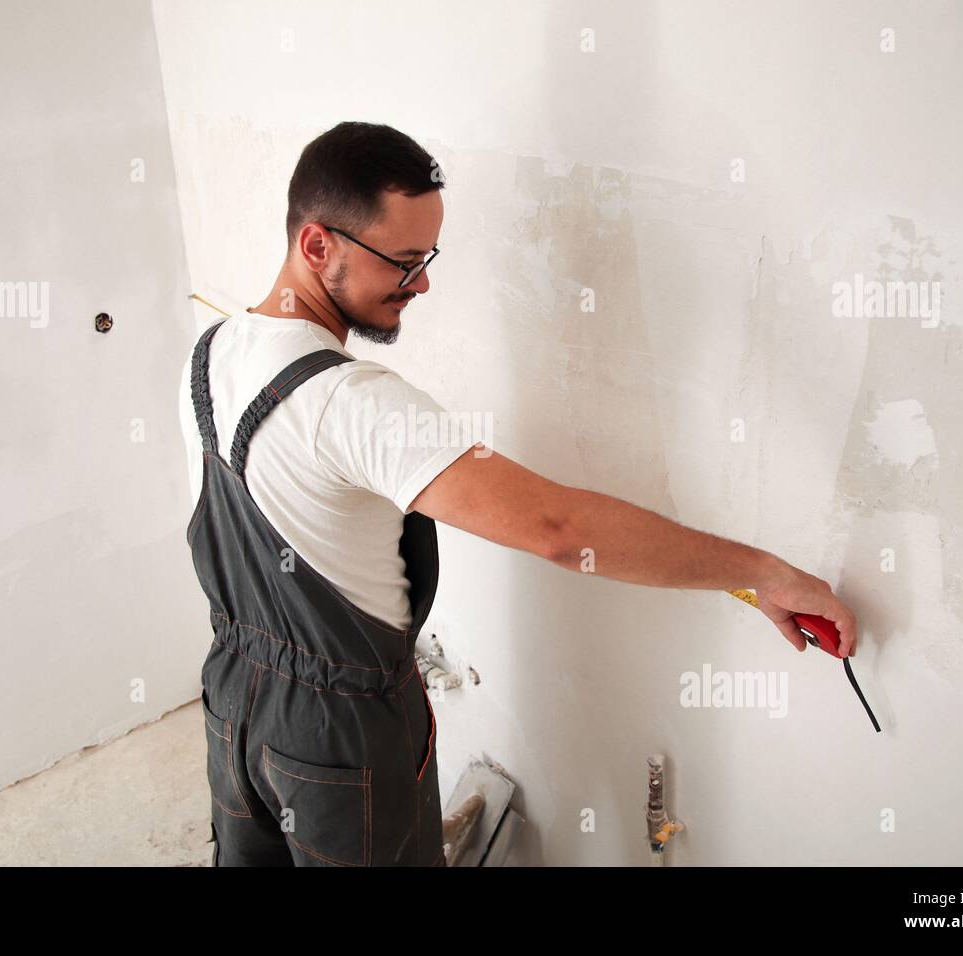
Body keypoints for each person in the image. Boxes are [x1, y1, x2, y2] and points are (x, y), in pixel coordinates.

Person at [180, 120, 858, 867]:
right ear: (318, 246)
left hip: (232, 705)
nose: (423, 282)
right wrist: (761, 571)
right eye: (404, 262)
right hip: (336, 739)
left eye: (427, 258)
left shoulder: (210, 352)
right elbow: (559, 529)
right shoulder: (353, 403)